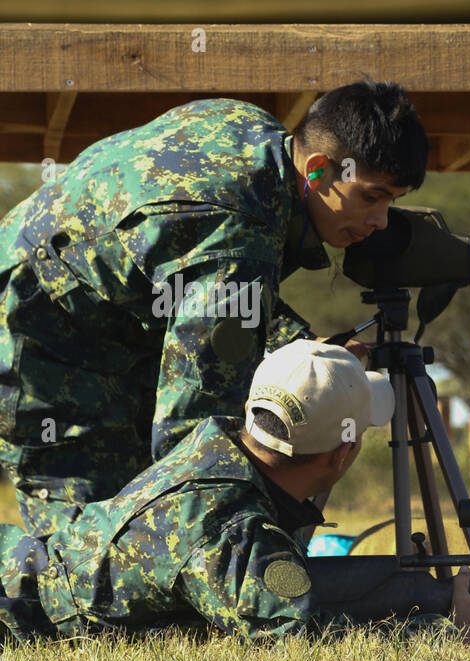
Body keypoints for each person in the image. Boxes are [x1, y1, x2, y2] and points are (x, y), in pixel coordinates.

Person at [0, 80, 423, 536]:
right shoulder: (237, 231)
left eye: (391, 202)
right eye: (371, 196)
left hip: (72, 301)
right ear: (318, 170)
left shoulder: (251, 131)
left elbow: (196, 277)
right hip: (38, 340)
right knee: (92, 550)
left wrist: (296, 342)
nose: (380, 222)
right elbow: (193, 428)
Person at [0, 340, 470, 641]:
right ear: (341, 455)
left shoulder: (213, 443)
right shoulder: (229, 531)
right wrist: (448, 624)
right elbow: (296, 638)